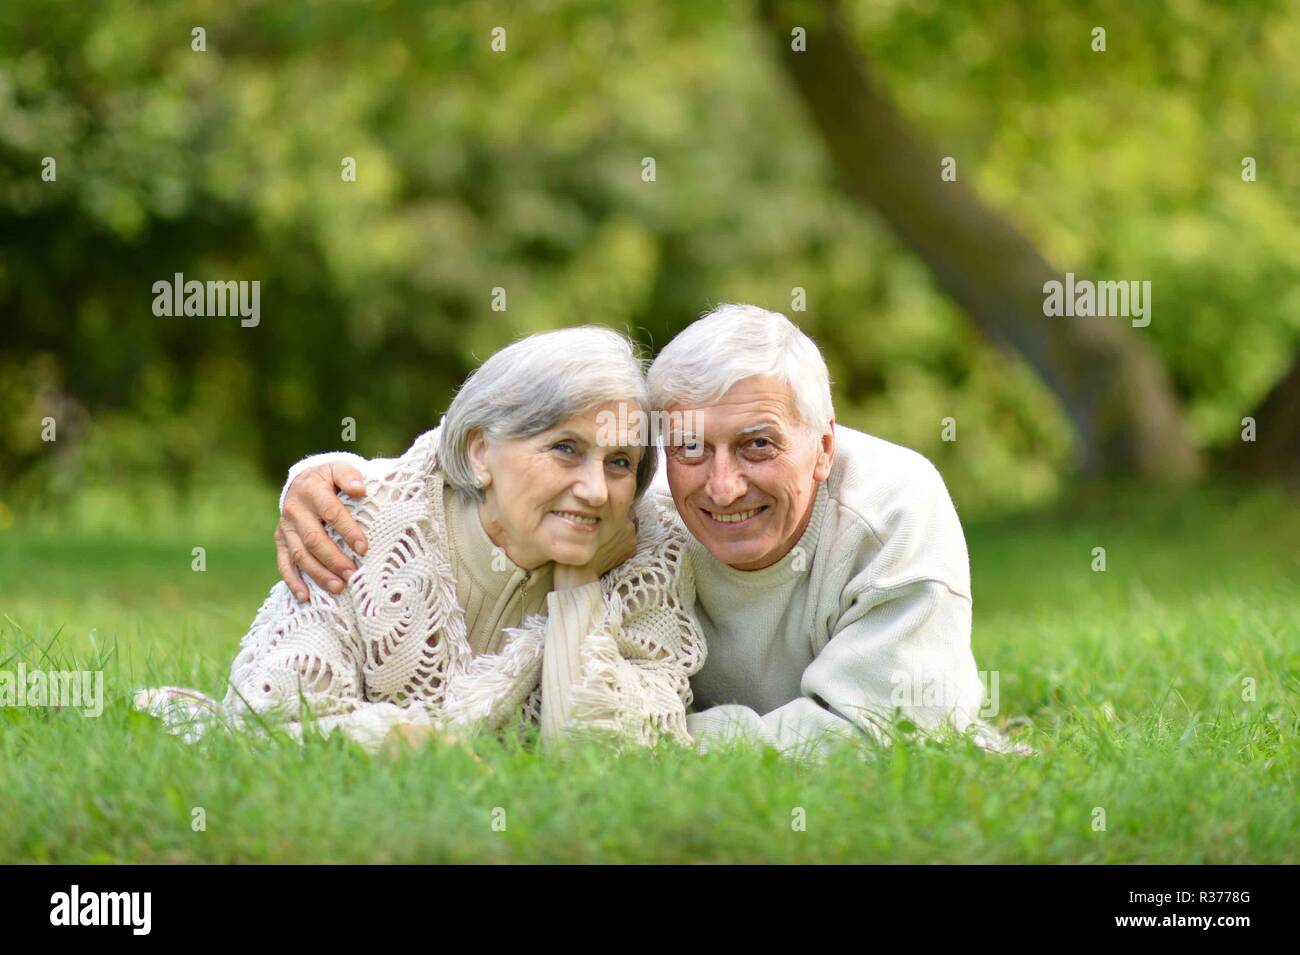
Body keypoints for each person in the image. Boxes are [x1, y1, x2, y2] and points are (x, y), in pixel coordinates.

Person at [278, 305, 1026, 758]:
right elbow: (491, 452)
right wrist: (321, 472)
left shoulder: (896, 510)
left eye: (758, 445)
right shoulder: (641, 493)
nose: (722, 485)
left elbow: (874, 738)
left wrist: (672, 743)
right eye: (690, 448)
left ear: (824, 445)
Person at [135, 326, 706, 753]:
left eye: (620, 462)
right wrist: (418, 742)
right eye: (565, 448)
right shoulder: (365, 523)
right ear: (482, 452)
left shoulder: (646, 551)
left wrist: (577, 586)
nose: (596, 490)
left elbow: (605, 750)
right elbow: (269, 719)